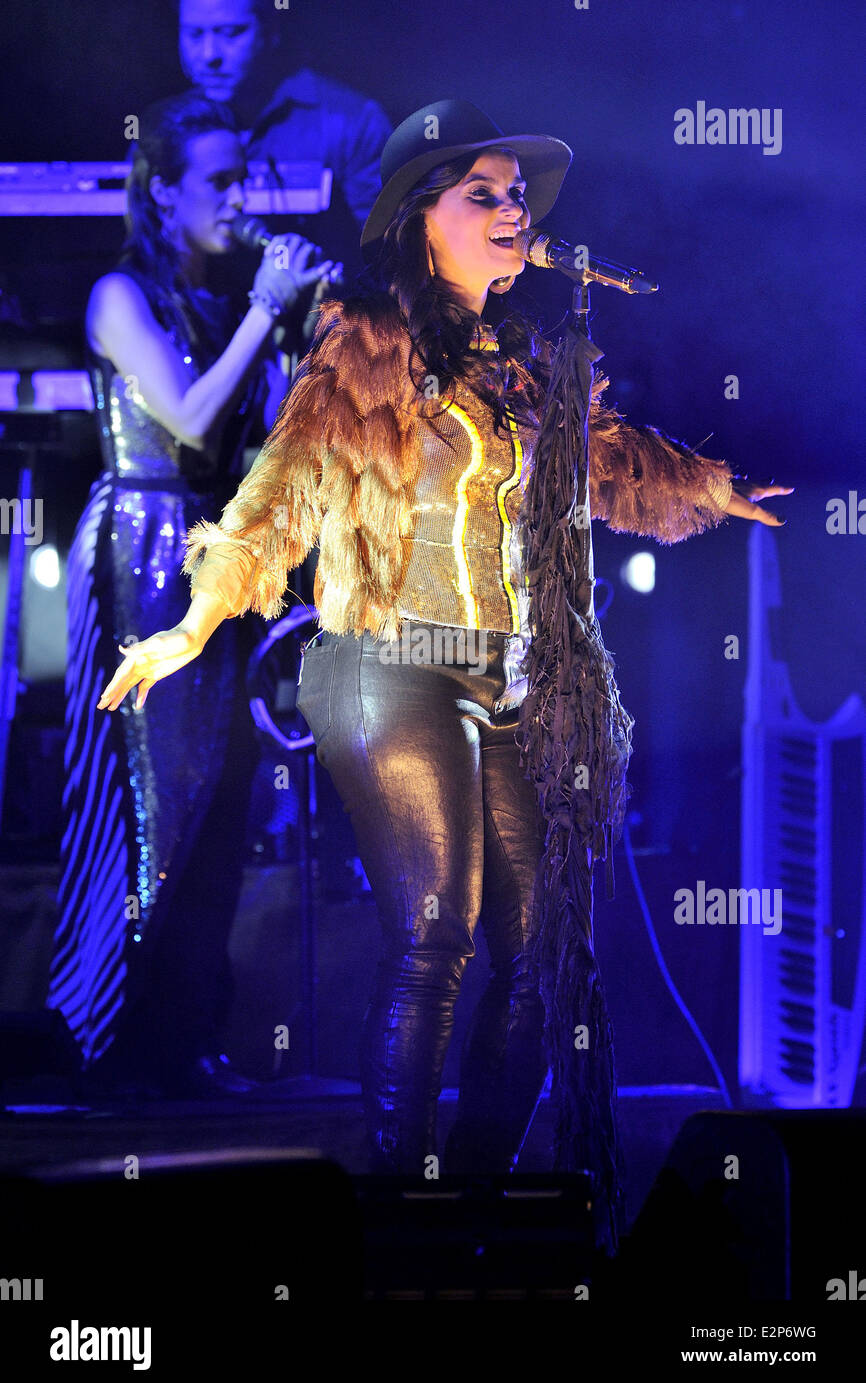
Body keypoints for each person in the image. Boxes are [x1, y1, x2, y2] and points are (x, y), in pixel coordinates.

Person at [95, 100, 792, 1244]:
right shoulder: (362, 336)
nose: (514, 212)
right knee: (439, 927)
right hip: (383, 663)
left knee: (541, 956)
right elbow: (285, 483)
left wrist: (702, 485)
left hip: (507, 677)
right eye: (486, 193)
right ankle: (394, 1203)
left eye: (520, 196)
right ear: (424, 214)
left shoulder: (523, 362)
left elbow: (602, 465)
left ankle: (470, 1198)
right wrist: (196, 619)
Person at [48, 92, 334, 1101]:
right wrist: (265, 307)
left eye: (241, 178)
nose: (234, 199)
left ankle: (185, 1037)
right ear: (163, 193)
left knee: (219, 798)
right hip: (141, 548)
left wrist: (303, 332)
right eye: (215, 181)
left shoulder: (219, 304)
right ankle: (111, 1041)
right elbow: (191, 428)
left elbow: (257, 449)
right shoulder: (119, 296)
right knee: (153, 798)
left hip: (219, 555)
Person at [177, 0, 392, 276]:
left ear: (271, 30)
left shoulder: (351, 121)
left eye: (231, 33)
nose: (209, 55)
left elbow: (385, 257)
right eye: (194, 34)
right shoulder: (165, 130)